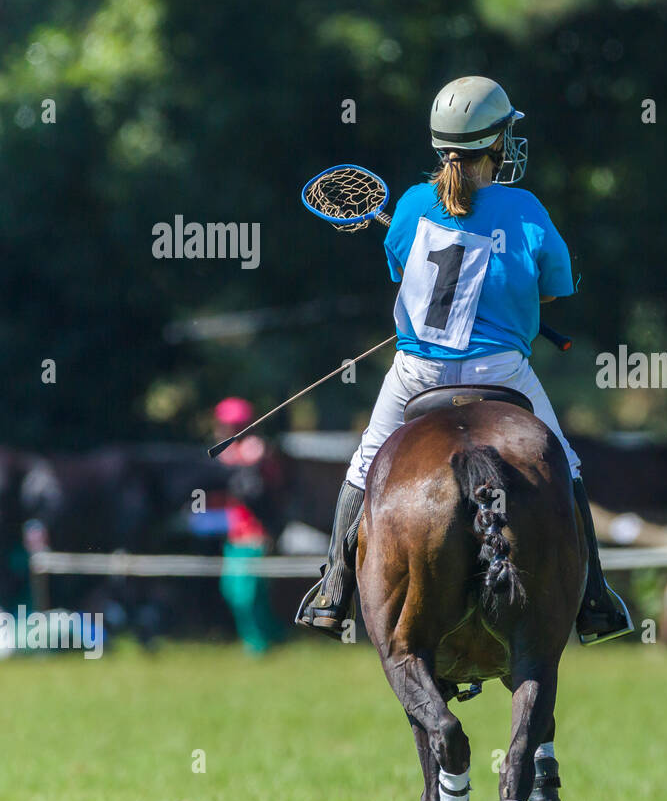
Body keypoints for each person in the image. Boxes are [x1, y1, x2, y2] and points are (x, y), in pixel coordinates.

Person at [296, 75, 634, 643]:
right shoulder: (525, 207)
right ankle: (595, 598)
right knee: (566, 467)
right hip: (501, 372)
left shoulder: (408, 205)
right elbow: (555, 286)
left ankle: (332, 591)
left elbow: (404, 276)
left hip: (418, 372)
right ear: (497, 143)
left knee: (364, 466)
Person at [211, 397, 285, 652]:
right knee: (235, 590)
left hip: (254, 535)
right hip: (235, 534)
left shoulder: (255, 449)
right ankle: (269, 637)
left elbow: (243, 467)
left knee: (247, 594)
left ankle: (258, 643)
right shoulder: (232, 451)